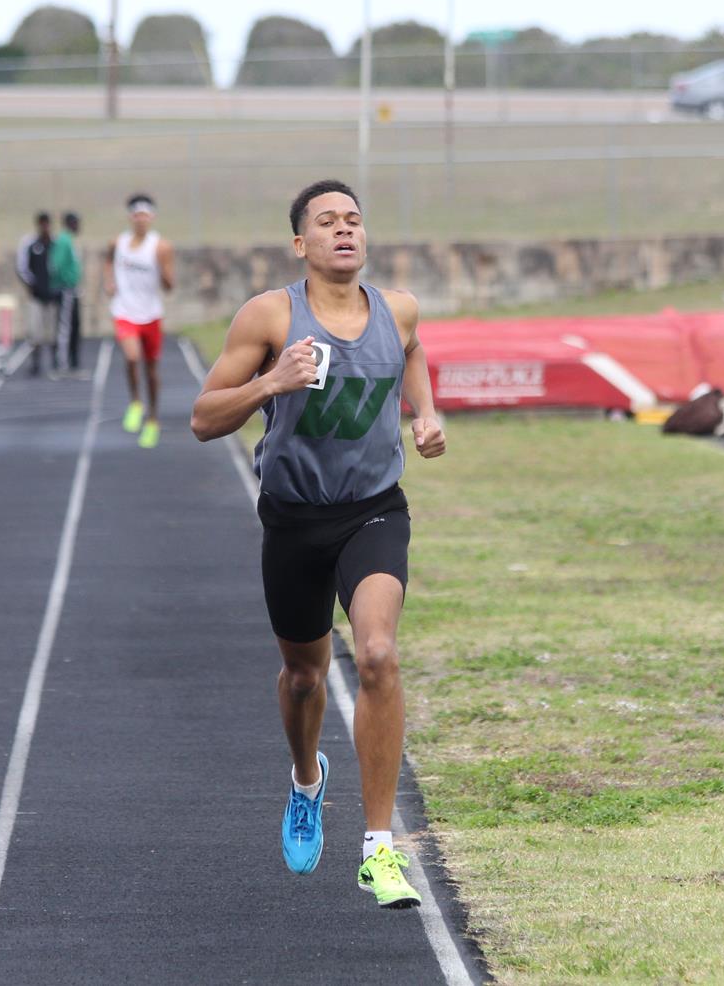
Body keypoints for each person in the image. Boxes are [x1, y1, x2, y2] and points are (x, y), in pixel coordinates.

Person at [190, 179, 447, 907]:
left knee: (376, 655)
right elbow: (204, 418)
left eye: (355, 220)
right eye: (328, 222)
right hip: (294, 519)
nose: (345, 231)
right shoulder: (270, 315)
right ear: (301, 242)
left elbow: (414, 350)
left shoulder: (397, 309)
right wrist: (273, 381)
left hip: (372, 511)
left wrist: (425, 414)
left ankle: (378, 850)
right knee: (304, 678)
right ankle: (307, 780)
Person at [105, 194, 175, 448]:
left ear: (152, 218)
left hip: (151, 314)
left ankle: (153, 419)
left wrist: (164, 272)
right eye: (136, 215)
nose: (141, 220)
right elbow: (107, 260)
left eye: (145, 215)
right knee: (132, 357)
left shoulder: (160, 247)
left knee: (151, 369)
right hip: (125, 311)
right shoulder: (118, 243)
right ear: (130, 217)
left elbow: (169, 285)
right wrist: (109, 280)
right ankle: (136, 401)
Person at [16, 211, 59, 378]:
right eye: (42, 223)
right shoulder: (30, 244)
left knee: (54, 332)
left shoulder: (56, 244)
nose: (45, 227)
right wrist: (32, 285)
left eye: (47, 223)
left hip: (54, 296)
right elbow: (22, 268)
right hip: (36, 296)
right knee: (35, 332)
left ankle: (56, 361)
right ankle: (36, 363)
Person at [53, 211, 84, 375]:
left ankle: (71, 361)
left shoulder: (69, 240)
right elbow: (56, 264)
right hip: (67, 289)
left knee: (73, 325)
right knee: (65, 326)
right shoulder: (64, 240)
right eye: (77, 222)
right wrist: (67, 282)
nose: (79, 226)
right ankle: (62, 362)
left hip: (72, 288)